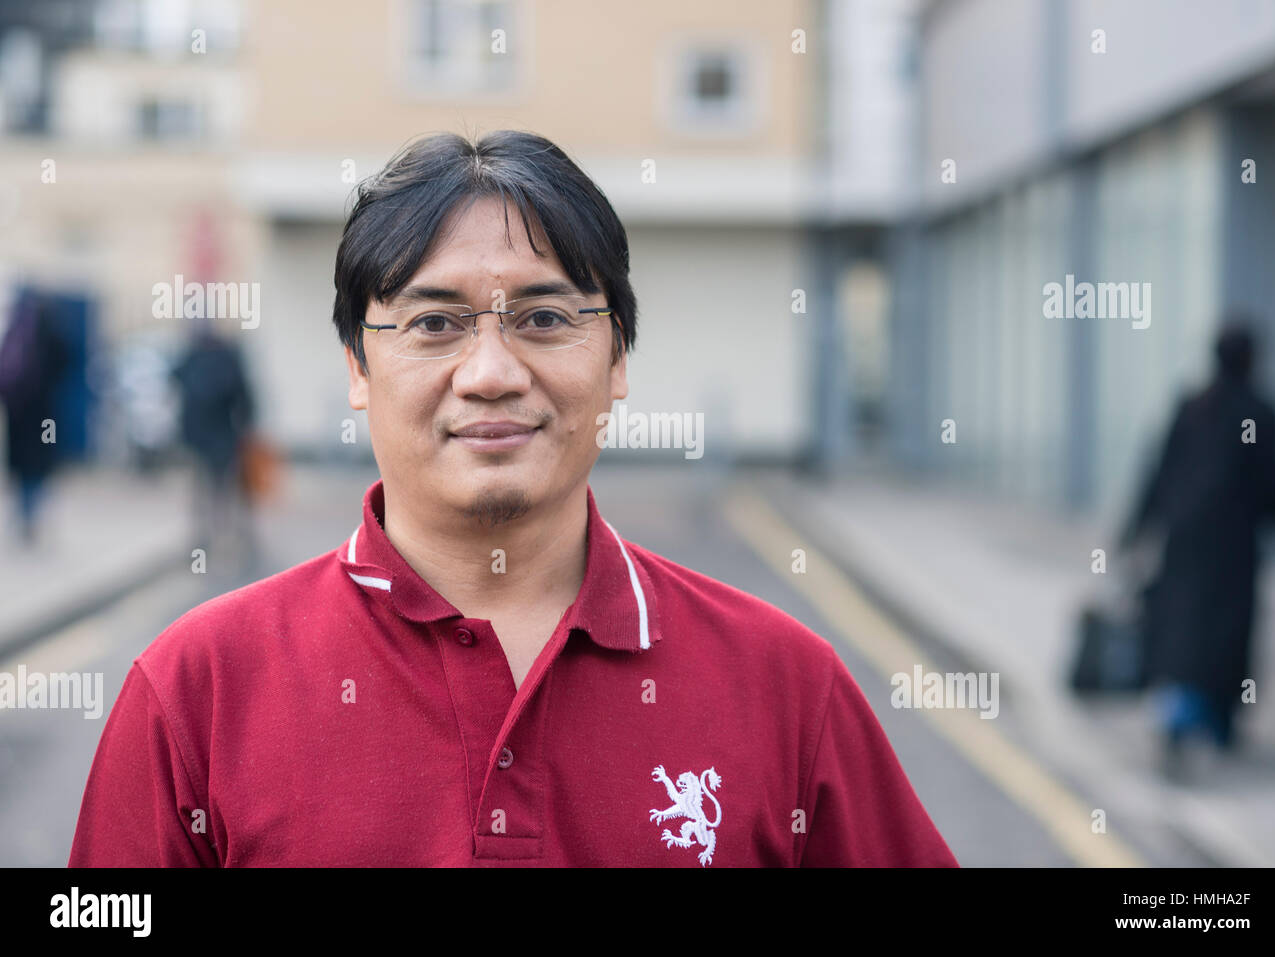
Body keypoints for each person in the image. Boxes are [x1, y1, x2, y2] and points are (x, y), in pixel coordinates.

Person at [69, 131, 957, 867]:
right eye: (433, 323)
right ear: (357, 367)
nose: (491, 374)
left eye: (544, 318)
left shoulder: (787, 687)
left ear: (616, 363)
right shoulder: (196, 693)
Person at [1119, 320, 1275, 777]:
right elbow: (1272, 484)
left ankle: (1177, 721)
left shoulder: (1192, 406)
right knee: (1228, 638)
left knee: (1183, 633)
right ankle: (1220, 724)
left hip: (1185, 543)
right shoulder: (1260, 411)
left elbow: (1158, 471)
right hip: (1235, 550)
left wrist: (1132, 532)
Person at [170, 322, 257, 572]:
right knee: (212, 490)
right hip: (209, 436)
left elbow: (240, 393)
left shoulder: (213, 357)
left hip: (216, 436)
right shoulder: (205, 356)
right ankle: (213, 539)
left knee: (220, 489)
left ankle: (222, 540)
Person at [0, 291, 68, 545]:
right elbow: (66, 363)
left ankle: (25, 514)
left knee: (22, 467)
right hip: (43, 415)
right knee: (39, 465)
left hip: (18, 412)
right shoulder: (50, 332)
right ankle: (31, 515)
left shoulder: (16, 331)